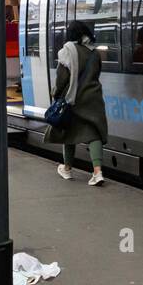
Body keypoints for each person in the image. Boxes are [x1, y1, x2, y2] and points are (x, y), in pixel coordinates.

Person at [44, 20, 108, 186]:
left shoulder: (67, 51)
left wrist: (56, 94)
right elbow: (96, 74)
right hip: (93, 98)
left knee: (69, 132)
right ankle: (97, 172)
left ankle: (66, 169)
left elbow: (62, 78)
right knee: (94, 134)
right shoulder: (94, 53)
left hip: (73, 99)